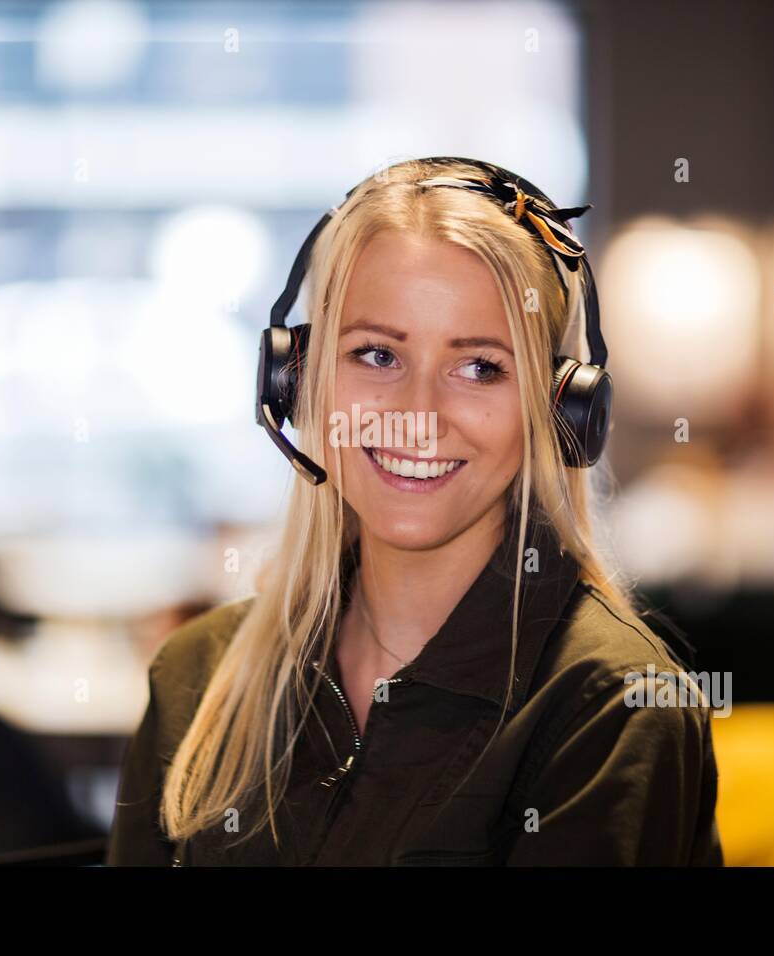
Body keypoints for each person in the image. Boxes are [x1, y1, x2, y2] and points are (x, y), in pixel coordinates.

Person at [107, 157, 724, 865]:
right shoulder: (197, 676)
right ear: (298, 379)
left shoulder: (613, 708)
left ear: (559, 409)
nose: (417, 417)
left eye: (479, 367)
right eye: (376, 354)